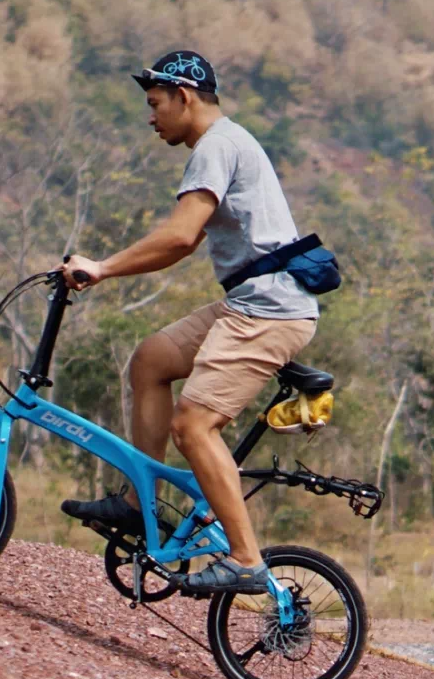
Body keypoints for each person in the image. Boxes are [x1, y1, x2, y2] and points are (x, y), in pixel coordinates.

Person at [57, 50, 319, 595]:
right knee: (151, 359)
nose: (150, 117)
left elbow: (179, 237)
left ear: (185, 96)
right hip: (252, 302)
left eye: (155, 104)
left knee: (192, 426)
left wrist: (101, 268)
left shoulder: (217, 146)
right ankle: (138, 503)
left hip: (267, 311)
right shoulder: (224, 146)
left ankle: (246, 559)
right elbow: (184, 240)